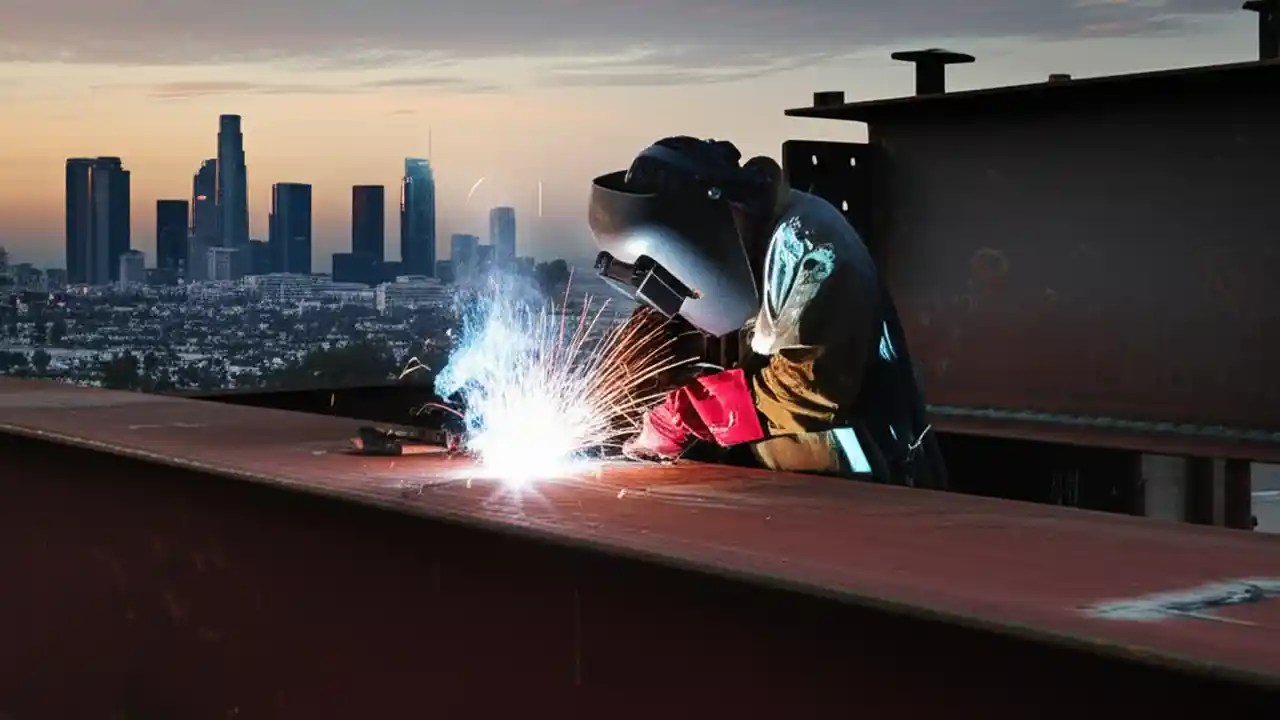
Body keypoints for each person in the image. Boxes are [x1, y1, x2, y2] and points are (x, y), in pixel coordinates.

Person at [588, 136, 946, 489]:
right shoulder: (721, 256)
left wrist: (690, 414)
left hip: (872, 487)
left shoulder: (812, 245)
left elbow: (812, 387)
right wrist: (612, 402)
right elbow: (661, 335)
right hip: (779, 489)